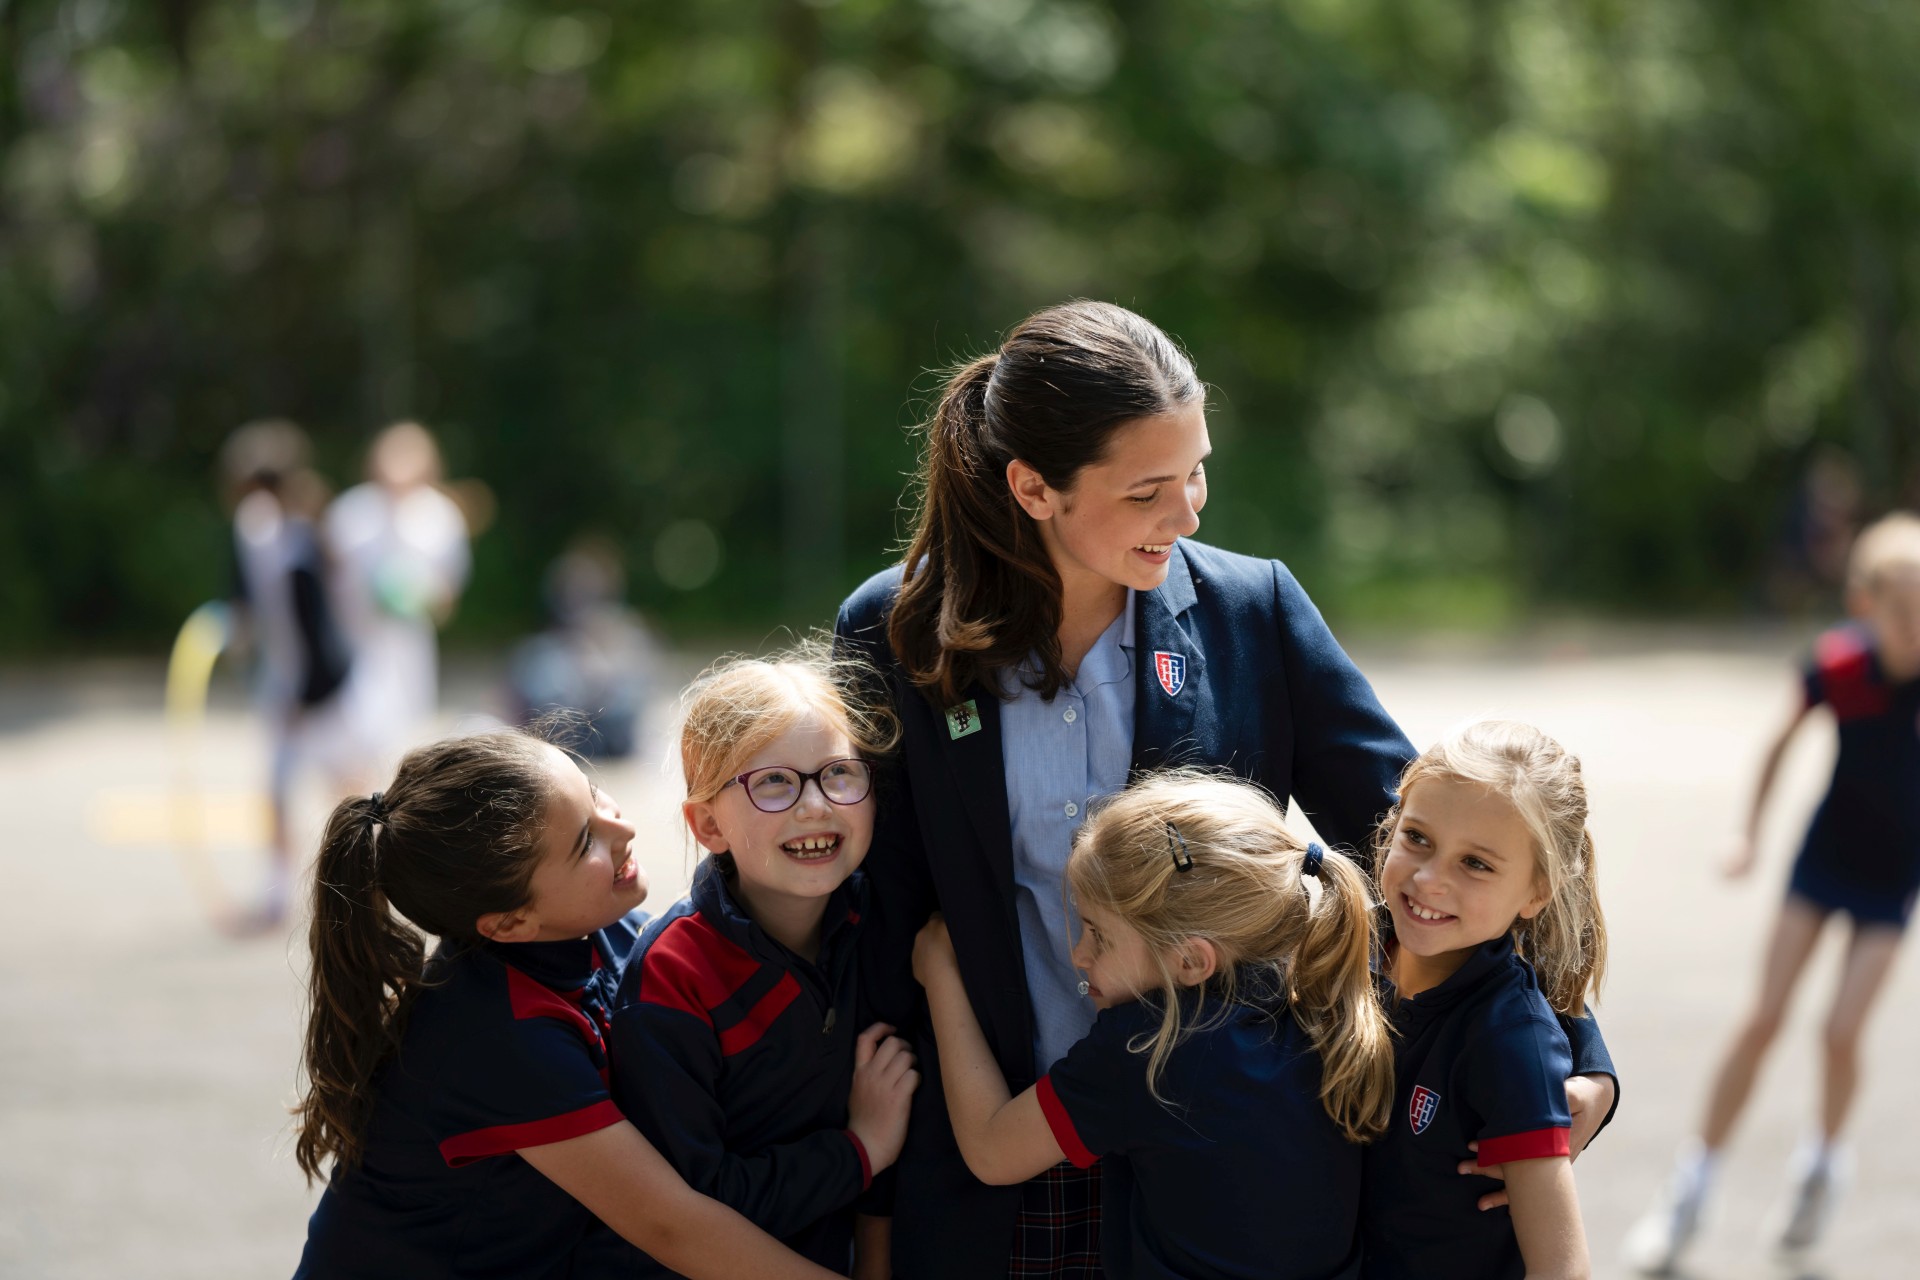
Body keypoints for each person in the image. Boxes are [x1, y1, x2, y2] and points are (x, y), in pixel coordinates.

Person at [833, 299, 1618, 1277]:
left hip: (1230, 1182)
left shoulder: (1255, 611)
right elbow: (882, 918)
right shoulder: (892, 630)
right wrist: (870, 1204)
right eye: (1147, 490)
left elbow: (1434, 839)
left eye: (1196, 471)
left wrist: (1576, 1054)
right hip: (989, 1175)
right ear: (1033, 487)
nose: (1189, 512)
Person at [291, 726, 852, 1280]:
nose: (623, 827)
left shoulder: (607, 933)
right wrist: (859, 1150)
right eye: (585, 843)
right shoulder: (501, 1039)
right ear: (511, 923)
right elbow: (671, 1227)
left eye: (594, 795)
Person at [912, 772, 1394, 1280]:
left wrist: (940, 972)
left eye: (1098, 935)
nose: (1078, 956)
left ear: (1191, 961)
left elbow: (991, 1151)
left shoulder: (1148, 1047)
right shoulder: (1332, 1004)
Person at [1625, 511, 1920, 1272]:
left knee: (1841, 1031)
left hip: (1894, 875)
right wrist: (1748, 833)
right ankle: (1691, 1188)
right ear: (1864, 603)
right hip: (1825, 860)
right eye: (1902, 609)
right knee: (1764, 1018)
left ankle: (1821, 1169)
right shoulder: (1840, 667)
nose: (1915, 626)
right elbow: (1779, 742)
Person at [607, 648, 919, 1277]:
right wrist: (859, 1150)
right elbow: (691, 1211)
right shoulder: (674, 975)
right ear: (708, 826)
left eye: (839, 773)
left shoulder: (881, 923)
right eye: (774, 781)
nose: (816, 805)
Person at [1362, 720, 1606, 1280]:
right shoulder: (1344, 948)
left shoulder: (1511, 1040)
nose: (1429, 879)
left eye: (1476, 864)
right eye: (1417, 837)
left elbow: (1562, 1268)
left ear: (1537, 893)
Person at [219, 418, 355, 927]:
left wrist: (304, 696)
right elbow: (248, 593)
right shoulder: (253, 530)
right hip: (284, 680)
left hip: (318, 684)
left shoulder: (302, 540)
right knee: (279, 785)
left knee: (344, 781)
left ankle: (367, 878)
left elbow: (316, 629)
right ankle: (278, 890)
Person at [325, 420, 472, 778]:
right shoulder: (351, 513)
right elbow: (327, 577)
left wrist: (415, 597)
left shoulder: (440, 516)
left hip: (408, 646)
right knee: (348, 737)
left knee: (402, 738)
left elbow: (449, 593)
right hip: (352, 641)